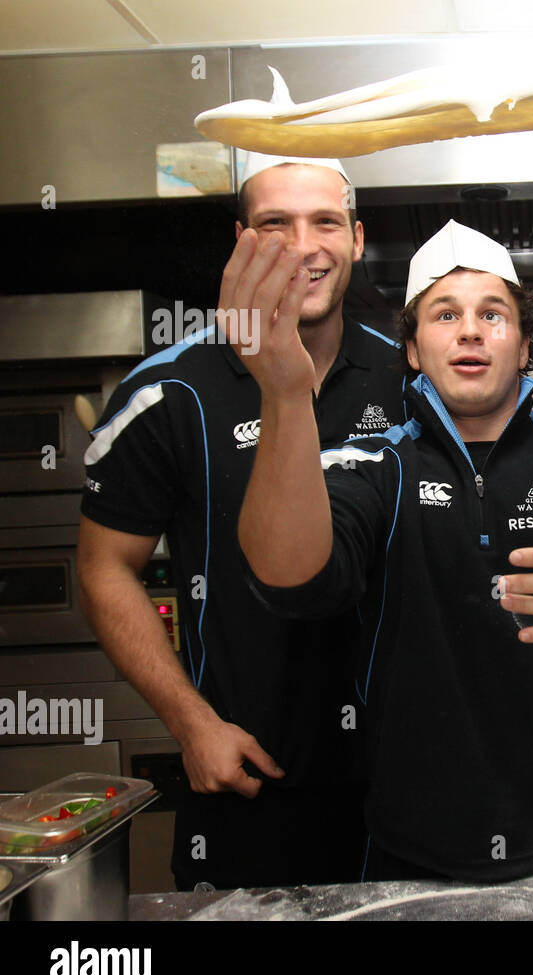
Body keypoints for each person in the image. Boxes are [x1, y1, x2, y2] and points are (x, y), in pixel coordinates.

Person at [235, 219, 533, 882]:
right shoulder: (367, 468)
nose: (470, 330)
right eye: (445, 314)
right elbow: (289, 578)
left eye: (494, 314)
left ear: (526, 344)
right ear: (412, 348)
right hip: (411, 859)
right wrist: (285, 392)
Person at [78, 151, 406, 890]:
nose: (303, 245)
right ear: (241, 241)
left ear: (357, 238)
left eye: (325, 220)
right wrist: (191, 722)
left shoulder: (414, 381)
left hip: (406, 781)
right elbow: (105, 567)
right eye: (274, 225)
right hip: (247, 782)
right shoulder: (167, 395)